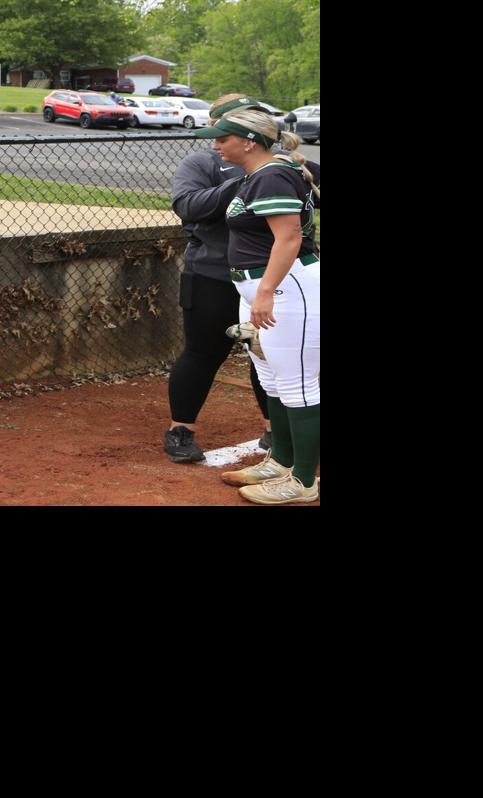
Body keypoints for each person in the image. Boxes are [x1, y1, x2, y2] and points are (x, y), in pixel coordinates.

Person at [193, 107, 320, 503]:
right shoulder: (260, 174)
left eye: (222, 138)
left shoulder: (272, 175)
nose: (215, 145)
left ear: (249, 141)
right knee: (273, 378)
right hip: (263, 288)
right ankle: (280, 460)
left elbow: (289, 238)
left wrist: (264, 292)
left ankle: (303, 481)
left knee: (298, 382)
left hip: (286, 288)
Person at [164, 94, 280, 463]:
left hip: (267, 277)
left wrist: (274, 170)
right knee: (202, 352)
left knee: (268, 355)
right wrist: (244, 179)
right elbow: (188, 205)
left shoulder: (276, 164)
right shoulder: (202, 162)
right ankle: (181, 430)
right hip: (213, 272)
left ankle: (275, 430)